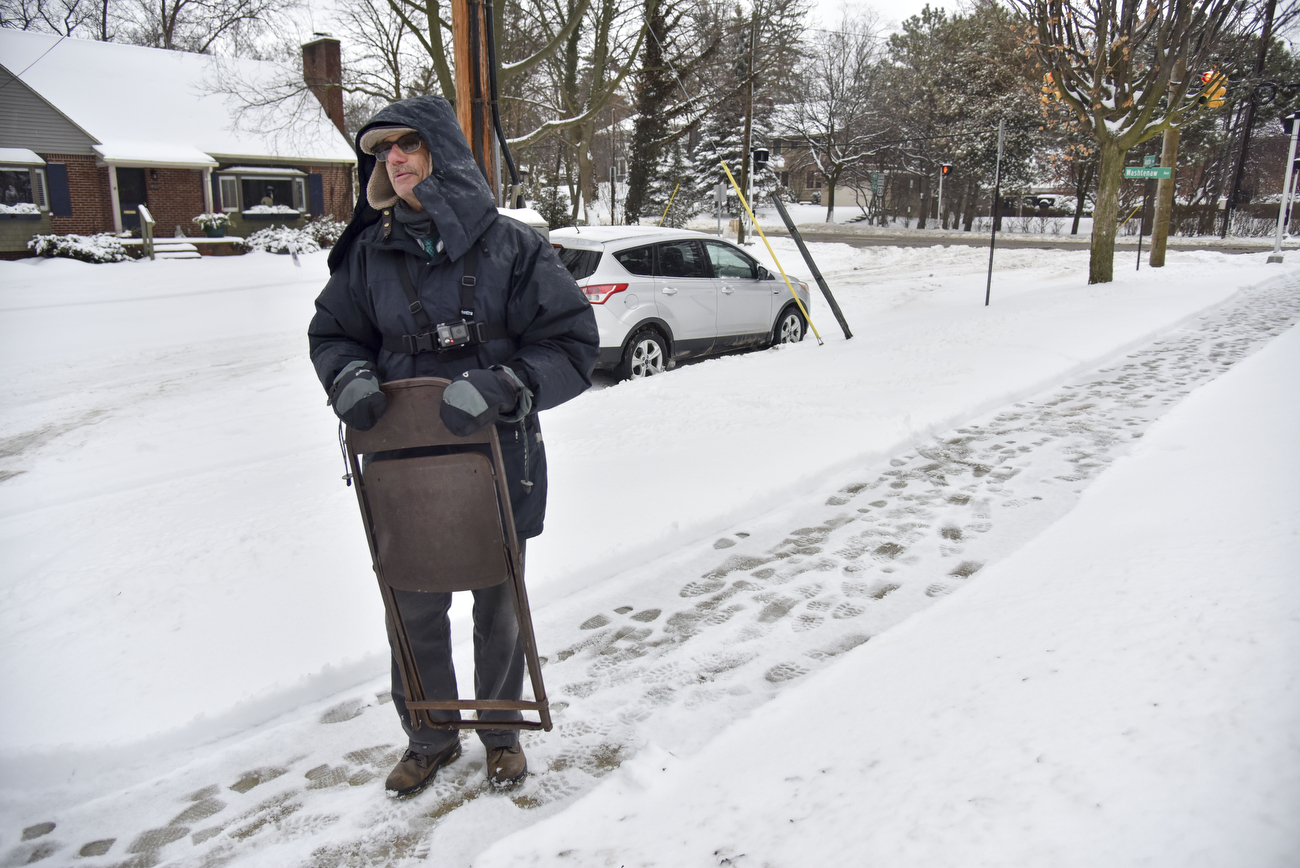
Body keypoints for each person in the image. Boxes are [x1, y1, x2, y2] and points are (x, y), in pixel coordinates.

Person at [307, 96, 598, 797]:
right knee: (411, 611)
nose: (393, 159)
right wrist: (346, 374)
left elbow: (572, 346)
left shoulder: (513, 247)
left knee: (499, 609)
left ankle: (501, 732)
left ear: (441, 148)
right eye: (381, 151)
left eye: (405, 143)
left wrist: (505, 383)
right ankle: (431, 736)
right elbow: (333, 334)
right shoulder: (369, 253)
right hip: (401, 471)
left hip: (496, 465)